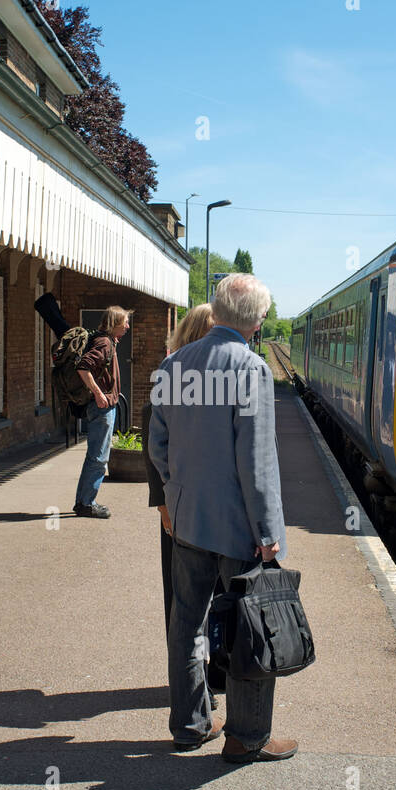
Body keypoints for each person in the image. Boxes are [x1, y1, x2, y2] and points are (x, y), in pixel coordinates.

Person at [149, 275, 296, 763]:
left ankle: (190, 726)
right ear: (256, 322)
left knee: (186, 624)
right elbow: (257, 461)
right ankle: (247, 737)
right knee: (250, 627)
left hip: (189, 522)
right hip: (239, 529)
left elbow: (158, 446)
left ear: (215, 309)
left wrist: (178, 494)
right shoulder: (250, 369)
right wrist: (270, 532)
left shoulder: (172, 366)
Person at [141, 305, 226, 707]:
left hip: (195, 508)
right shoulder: (172, 378)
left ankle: (210, 678)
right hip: (179, 511)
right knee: (185, 603)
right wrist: (163, 508)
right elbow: (153, 447)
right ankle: (194, 687)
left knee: (205, 601)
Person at [73, 306, 130, 518]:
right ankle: (87, 503)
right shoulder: (104, 342)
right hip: (102, 408)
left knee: (95, 456)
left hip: (104, 406)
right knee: (99, 457)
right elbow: (83, 367)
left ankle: (83, 501)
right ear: (114, 323)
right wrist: (99, 394)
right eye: (124, 322)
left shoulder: (107, 342)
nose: (127, 326)